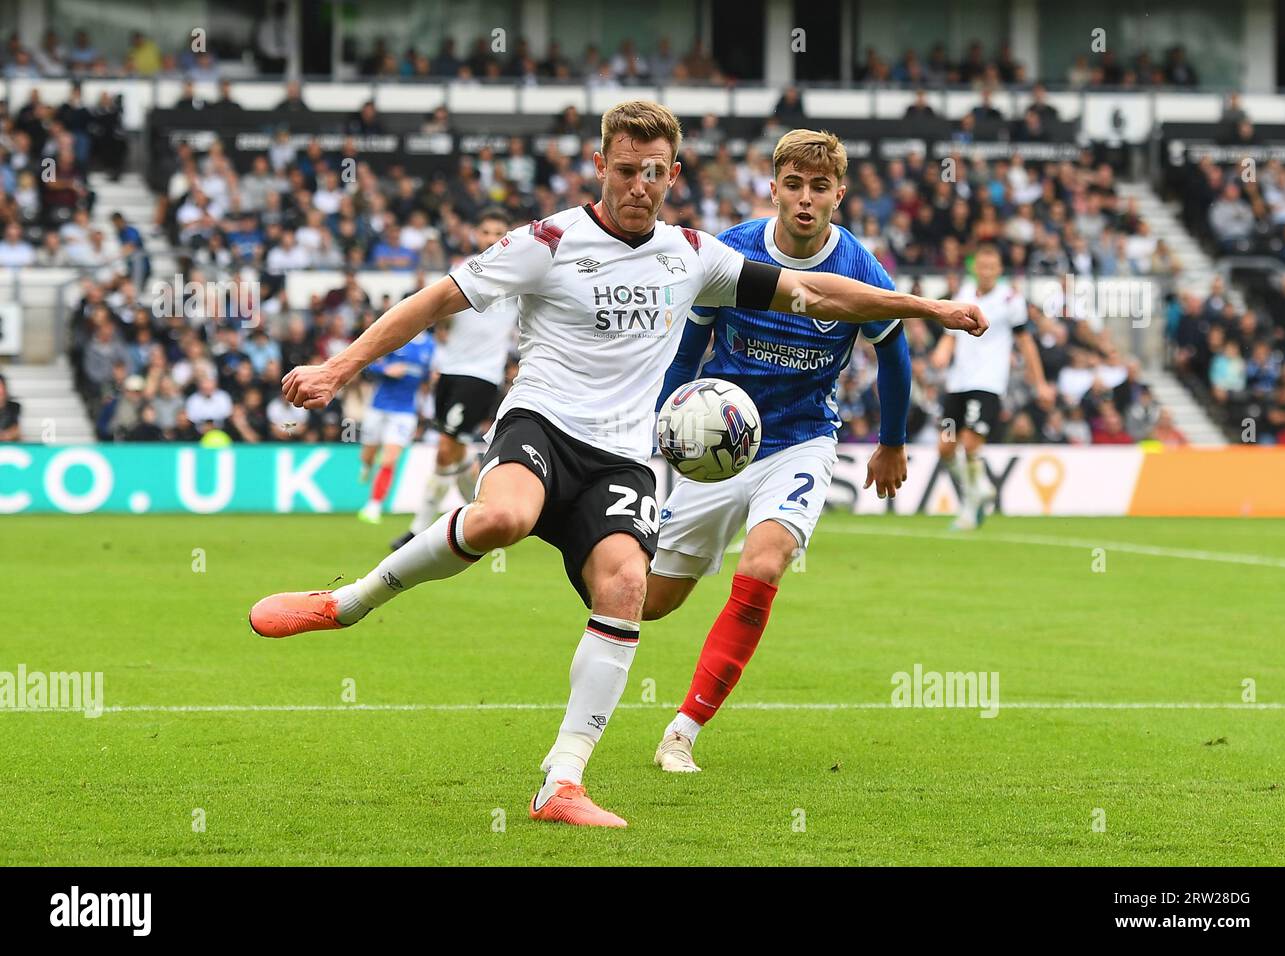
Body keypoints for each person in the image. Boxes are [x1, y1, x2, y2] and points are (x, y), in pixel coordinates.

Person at [248, 100, 987, 829]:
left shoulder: (696, 255)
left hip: (624, 457)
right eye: (627, 170)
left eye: (655, 173)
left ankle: (561, 784)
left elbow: (814, 291)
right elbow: (437, 299)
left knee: (632, 589)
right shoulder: (547, 239)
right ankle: (346, 604)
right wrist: (339, 368)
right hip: (543, 422)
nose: (640, 185)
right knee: (504, 517)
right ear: (600, 166)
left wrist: (926, 307)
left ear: (673, 174)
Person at [640, 129, 912, 772]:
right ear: (774, 189)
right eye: (794, 185)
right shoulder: (731, 253)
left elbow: (894, 348)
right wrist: (657, 428)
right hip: (715, 445)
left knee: (764, 565)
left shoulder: (857, 268)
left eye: (820, 187)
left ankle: (682, 731)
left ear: (839, 195)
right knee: (650, 601)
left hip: (801, 440)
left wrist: (891, 441)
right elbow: (688, 350)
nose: (806, 199)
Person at [394, 209, 518, 550]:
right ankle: (481, 513)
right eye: (486, 232)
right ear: (475, 234)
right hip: (448, 371)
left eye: (498, 232)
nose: (492, 239)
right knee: (456, 448)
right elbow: (443, 318)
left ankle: (419, 528)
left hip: (481, 376)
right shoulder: (462, 271)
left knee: (446, 448)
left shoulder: (518, 276)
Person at [930, 244, 1050, 531]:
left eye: (991, 267)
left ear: (999, 270)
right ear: (975, 268)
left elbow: (1026, 342)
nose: (986, 271)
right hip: (957, 383)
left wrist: (1041, 382)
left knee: (970, 443)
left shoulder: (1010, 299)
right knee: (945, 447)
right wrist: (942, 351)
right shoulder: (964, 293)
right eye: (981, 266)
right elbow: (950, 334)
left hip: (987, 384)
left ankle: (972, 505)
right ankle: (979, 490)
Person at [356, 328, 437, 524]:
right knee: (368, 455)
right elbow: (368, 365)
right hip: (378, 407)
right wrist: (385, 370)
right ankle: (367, 466)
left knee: (389, 459)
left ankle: (374, 505)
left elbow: (426, 377)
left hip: (404, 412)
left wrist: (432, 381)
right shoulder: (399, 334)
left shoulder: (431, 345)